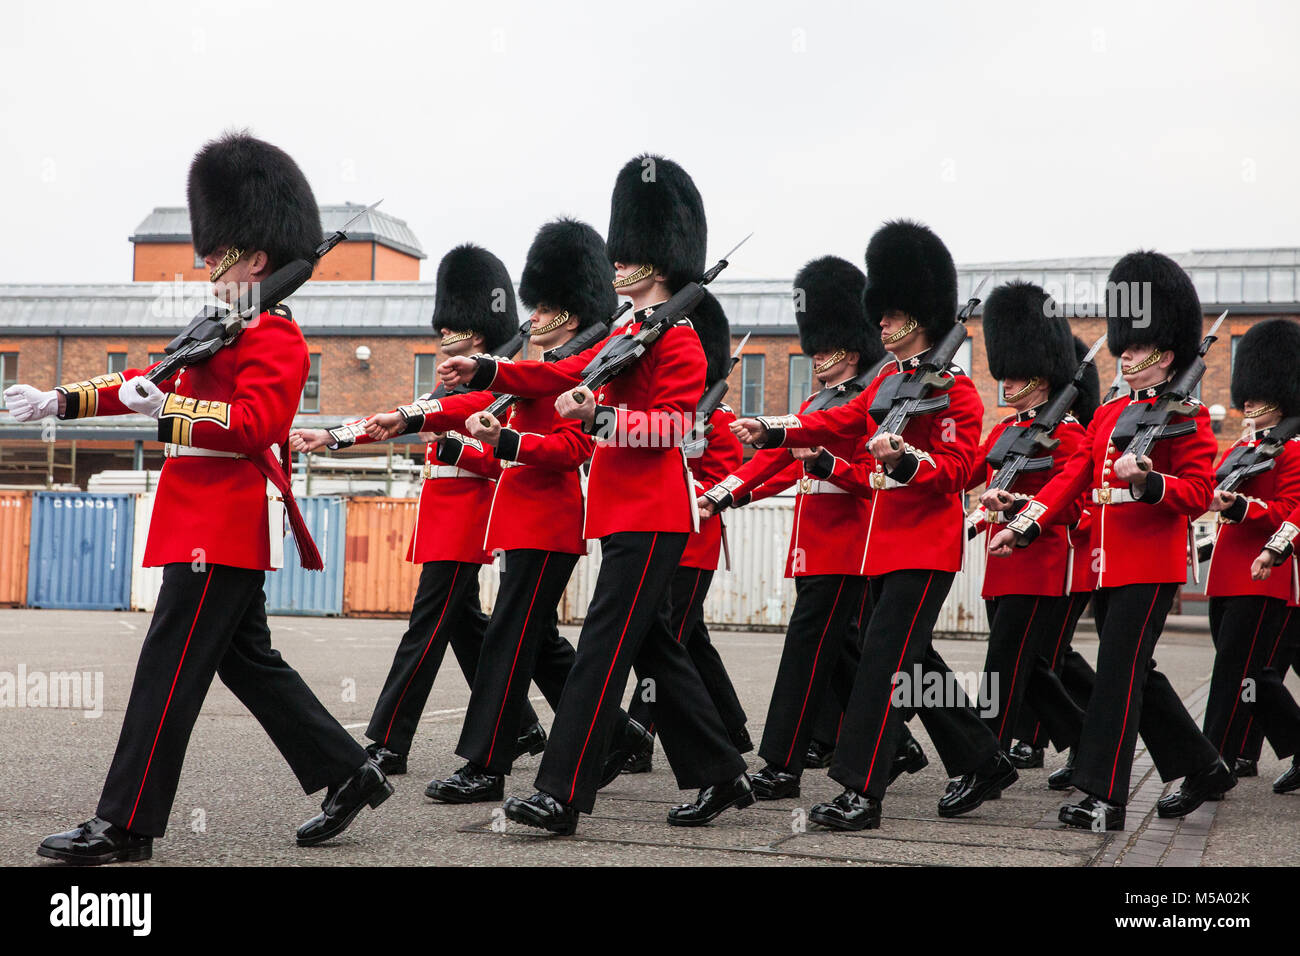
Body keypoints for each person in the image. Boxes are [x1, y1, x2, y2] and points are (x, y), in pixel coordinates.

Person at [6, 133, 391, 864]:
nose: (206, 264)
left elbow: (254, 428)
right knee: (247, 662)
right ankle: (350, 773)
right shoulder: (219, 327)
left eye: (219, 253)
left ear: (256, 258)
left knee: (166, 672)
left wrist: (168, 414)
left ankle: (124, 825)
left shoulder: (274, 337)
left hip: (220, 524)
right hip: (197, 519)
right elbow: (146, 380)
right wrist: (58, 401)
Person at [436, 154, 751, 834]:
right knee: (654, 649)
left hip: (654, 515)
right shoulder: (625, 330)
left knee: (603, 652)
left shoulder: (681, 339)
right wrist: (487, 367)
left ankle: (561, 793)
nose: (617, 264)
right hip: (622, 515)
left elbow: (674, 427)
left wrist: (599, 418)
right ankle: (724, 774)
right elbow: (562, 373)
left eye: (630, 254)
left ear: (658, 262)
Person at [732, 221, 1014, 831]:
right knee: (910, 665)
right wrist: (776, 430)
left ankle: (862, 791)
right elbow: (841, 421)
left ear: (918, 317)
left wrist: (911, 462)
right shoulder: (888, 382)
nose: (879, 326)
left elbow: (965, 468)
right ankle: (981, 758)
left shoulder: (957, 393)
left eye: (889, 317)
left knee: (883, 666)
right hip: (880, 548)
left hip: (924, 549)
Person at [989, 250, 1230, 830]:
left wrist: (1149, 482)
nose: (1124, 355)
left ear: (1166, 354)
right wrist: (1025, 519)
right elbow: (1073, 479)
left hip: (1149, 561)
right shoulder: (1111, 414)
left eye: (1136, 348)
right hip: (1103, 560)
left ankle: (1104, 796)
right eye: (1122, 346)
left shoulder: (1187, 415)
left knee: (1118, 677)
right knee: (1136, 673)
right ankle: (1203, 766)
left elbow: (1198, 491)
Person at [289, 244, 547, 775]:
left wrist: (454, 445)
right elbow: (405, 417)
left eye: (450, 330)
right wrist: (333, 435)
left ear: (474, 335)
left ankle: (388, 741)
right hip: (444, 518)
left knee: (425, 630)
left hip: (467, 522)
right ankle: (520, 725)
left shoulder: (493, 391)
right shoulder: (455, 386)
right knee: (466, 628)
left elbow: (497, 456)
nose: (441, 338)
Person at [701, 255, 925, 802]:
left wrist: (827, 465)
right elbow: (778, 465)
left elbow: (868, 481)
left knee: (809, 646)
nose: (816, 357)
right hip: (815, 541)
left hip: (848, 541)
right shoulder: (816, 402)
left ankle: (781, 762)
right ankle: (900, 748)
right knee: (843, 647)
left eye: (824, 351)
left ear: (850, 353)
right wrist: (726, 492)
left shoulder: (867, 404)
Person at [624, 288, 753, 773]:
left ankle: (639, 735)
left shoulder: (717, 418)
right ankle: (733, 727)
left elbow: (724, 476)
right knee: (688, 641)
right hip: (661, 534)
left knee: (661, 644)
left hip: (694, 543)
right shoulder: (669, 406)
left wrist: (684, 486)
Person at [966, 282, 1089, 765]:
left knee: (1004, 665)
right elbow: (971, 474)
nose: (1007, 383)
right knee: (1032, 667)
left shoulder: (1069, 435)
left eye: (1016, 376)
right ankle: (1088, 741)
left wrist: (1017, 508)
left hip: (1040, 561)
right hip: (1001, 564)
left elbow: (1073, 506)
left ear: (1040, 377)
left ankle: (983, 757)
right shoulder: (1003, 430)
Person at [1198, 319, 1300, 790]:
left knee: (1233, 672)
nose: (1250, 402)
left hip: (1263, 571)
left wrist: (1241, 507)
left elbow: (1291, 510)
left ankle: (1209, 763)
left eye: (1260, 395)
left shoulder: (1293, 449)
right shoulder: (1244, 445)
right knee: (1249, 673)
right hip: (1227, 570)